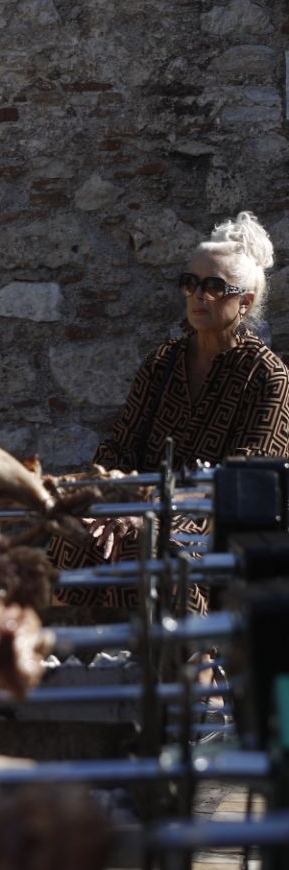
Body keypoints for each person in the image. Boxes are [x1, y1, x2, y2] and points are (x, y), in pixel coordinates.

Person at [54, 212, 289, 597]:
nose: (199, 295)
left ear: (244, 302)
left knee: (157, 549)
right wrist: (106, 499)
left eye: (214, 286)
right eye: (191, 283)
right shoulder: (162, 361)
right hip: (139, 507)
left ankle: (188, 654)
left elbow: (246, 486)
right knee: (79, 533)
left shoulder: (267, 376)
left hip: (213, 524)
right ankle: (70, 652)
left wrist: (151, 513)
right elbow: (120, 446)